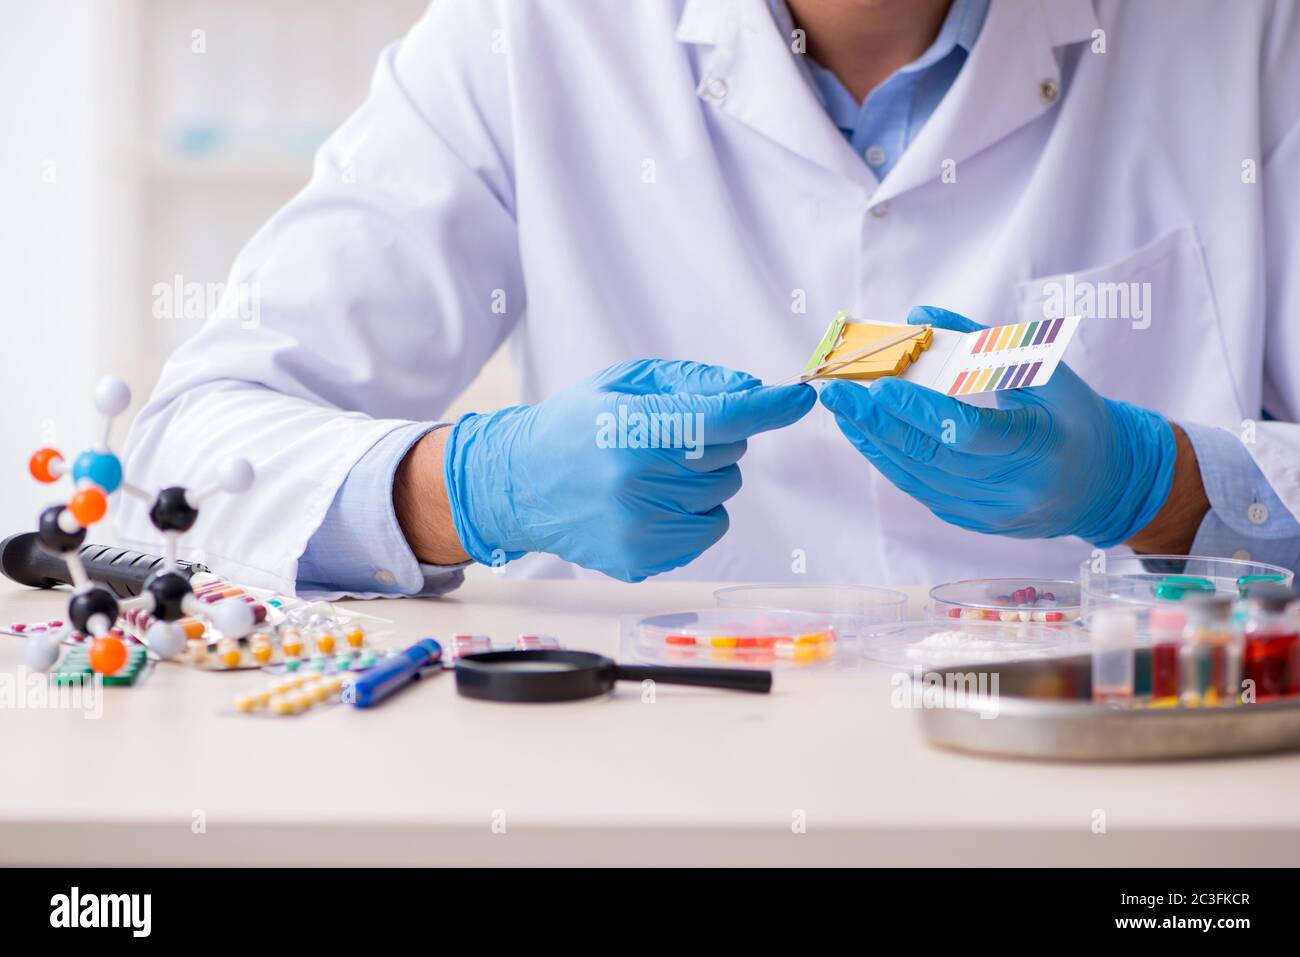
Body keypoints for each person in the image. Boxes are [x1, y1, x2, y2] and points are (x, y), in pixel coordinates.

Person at [122, 0, 1300, 596]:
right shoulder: (529, 33)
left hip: (1113, 805)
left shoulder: (1249, 37)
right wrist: (475, 486)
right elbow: (186, 456)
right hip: (647, 802)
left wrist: (1164, 486)